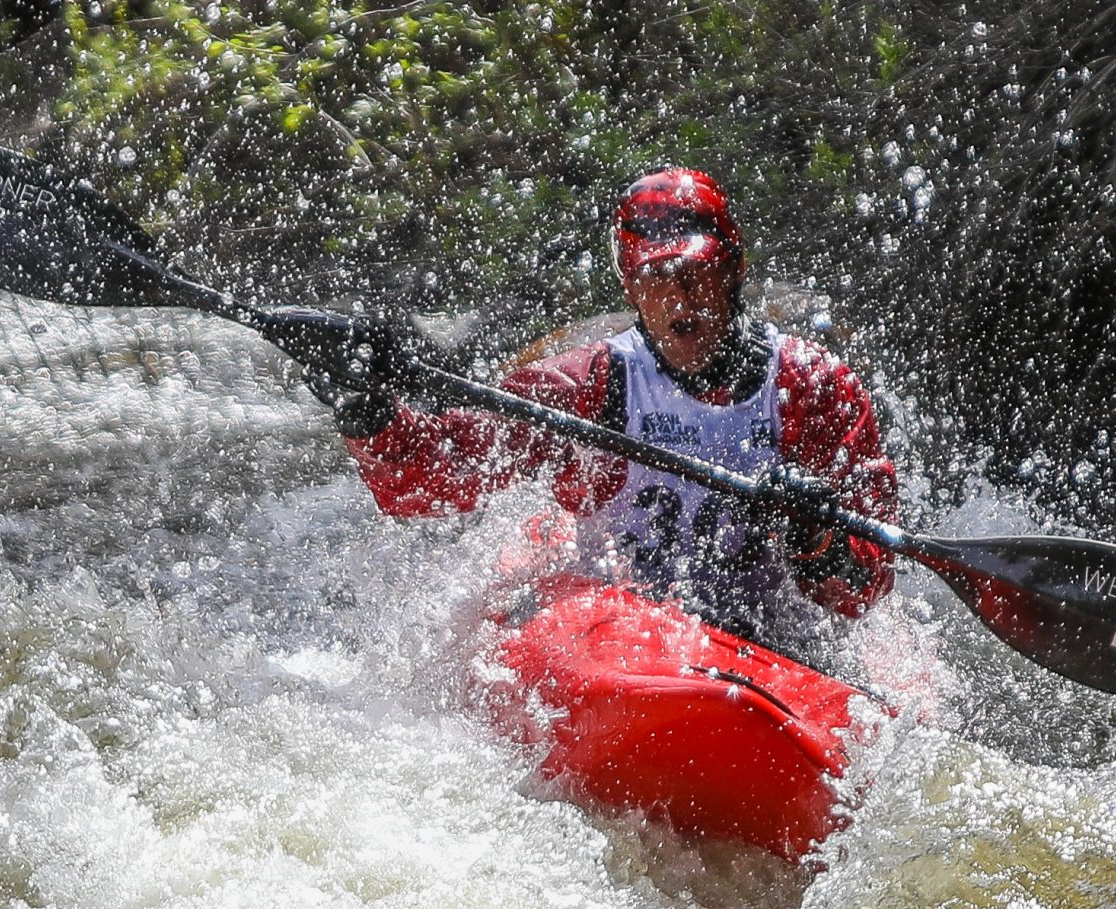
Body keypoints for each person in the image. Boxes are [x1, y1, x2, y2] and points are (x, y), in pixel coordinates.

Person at [288, 168, 898, 652]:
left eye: (696, 273)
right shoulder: (588, 388)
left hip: (773, 639)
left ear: (735, 269)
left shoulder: (813, 389)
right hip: (625, 635)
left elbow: (870, 588)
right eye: (656, 279)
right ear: (630, 288)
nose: (680, 300)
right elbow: (434, 479)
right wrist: (364, 409)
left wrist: (818, 538)